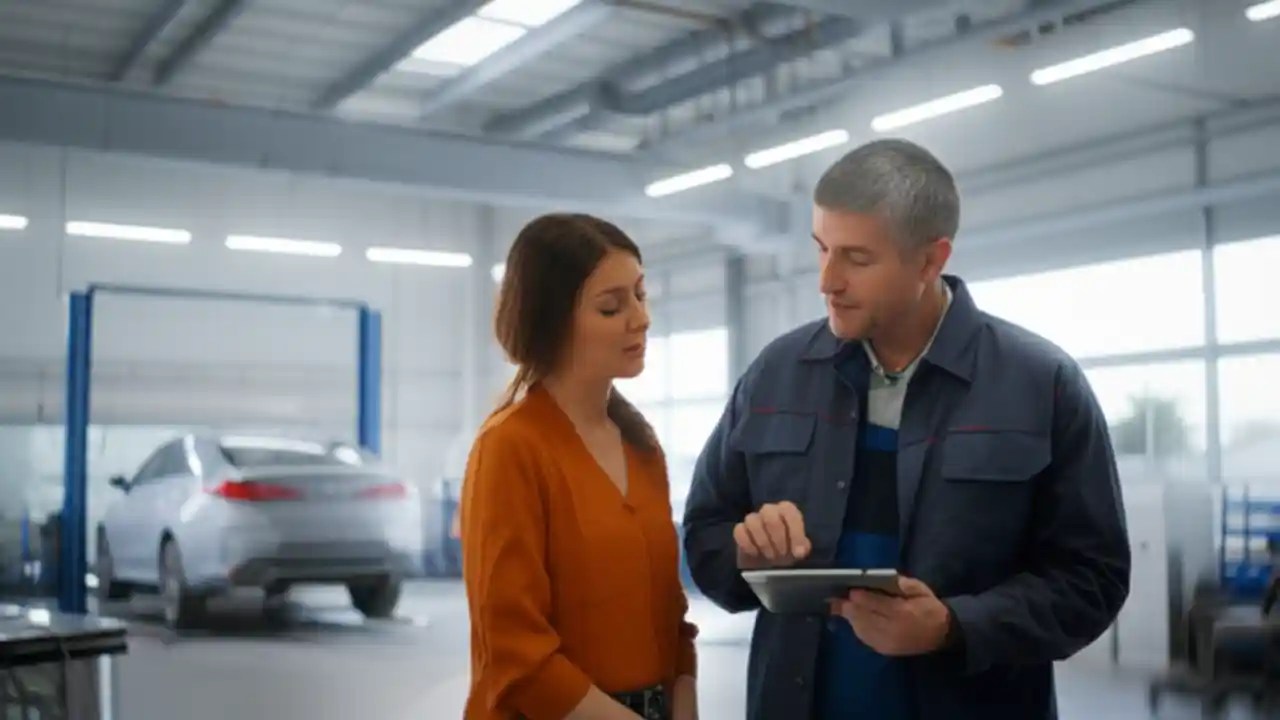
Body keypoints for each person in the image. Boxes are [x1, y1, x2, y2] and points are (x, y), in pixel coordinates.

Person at [682, 139, 1131, 719]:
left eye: (856, 258)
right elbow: (706, 534)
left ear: (929, 261)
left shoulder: (1042, 385)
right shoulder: (776, 375)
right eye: (821, 248)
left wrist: (954, 625)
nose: (827, 281)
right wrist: (745, 552)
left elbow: (1093, 579)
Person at [461, 213, 698, 720]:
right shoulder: (511, 448)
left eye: (641, 295)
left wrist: (684, 701)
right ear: (552, 321)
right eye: (612, 307)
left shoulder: (642, 447)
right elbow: (515, 651)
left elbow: (671, 616)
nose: (641, 318)